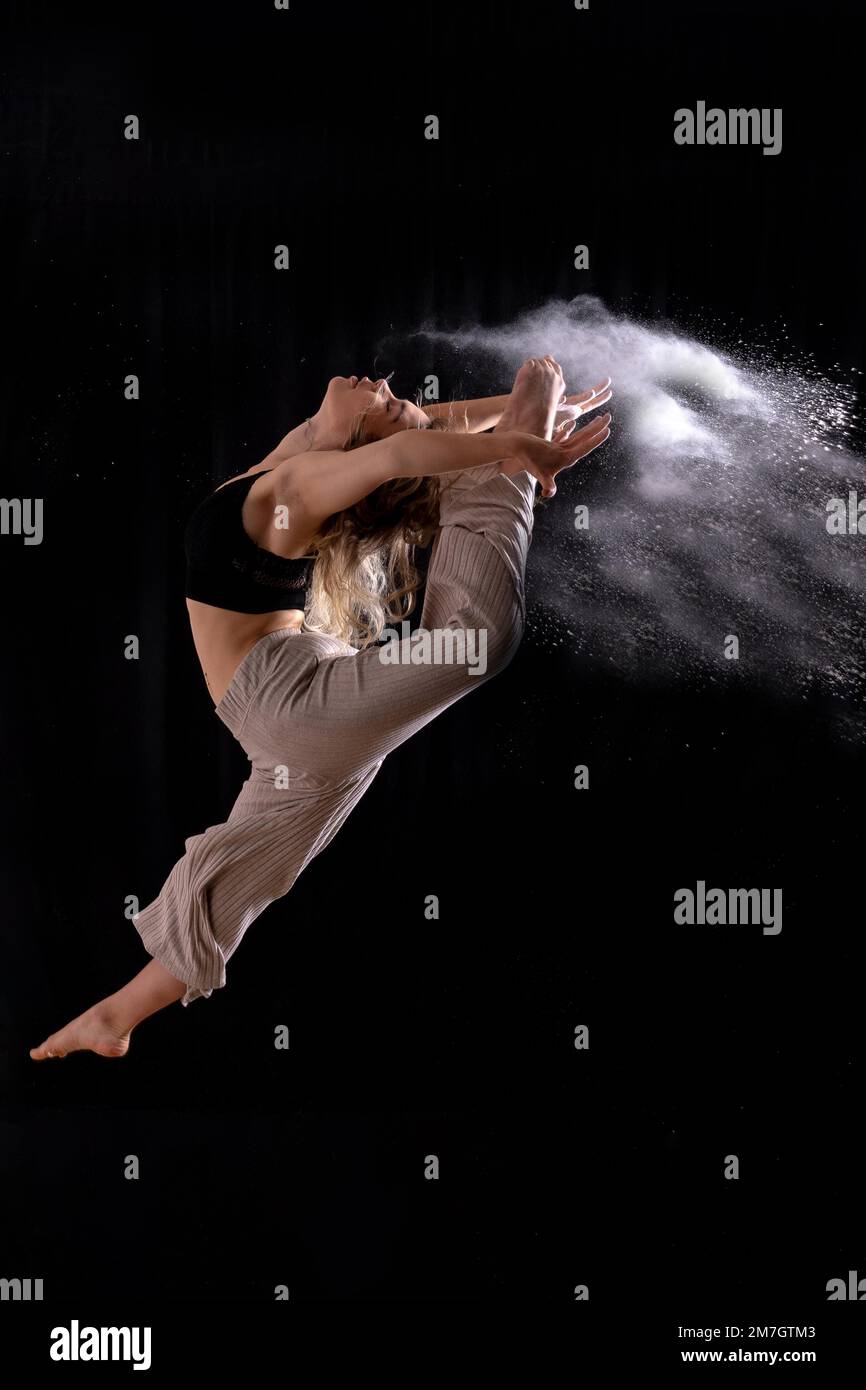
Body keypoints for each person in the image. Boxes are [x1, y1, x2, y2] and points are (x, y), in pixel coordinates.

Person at [29, 356, 612, 1059]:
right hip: (291, 706)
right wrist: (520, 436)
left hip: (294, 702)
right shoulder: (304, 466)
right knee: (472, 641)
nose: (387, 385)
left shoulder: (306, 462)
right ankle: (116, 1020)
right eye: (392, 397)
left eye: (390, 399)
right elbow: (406, 444)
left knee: (249, 866)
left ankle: (111, 1017)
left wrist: (524, 426)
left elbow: (411, 439)